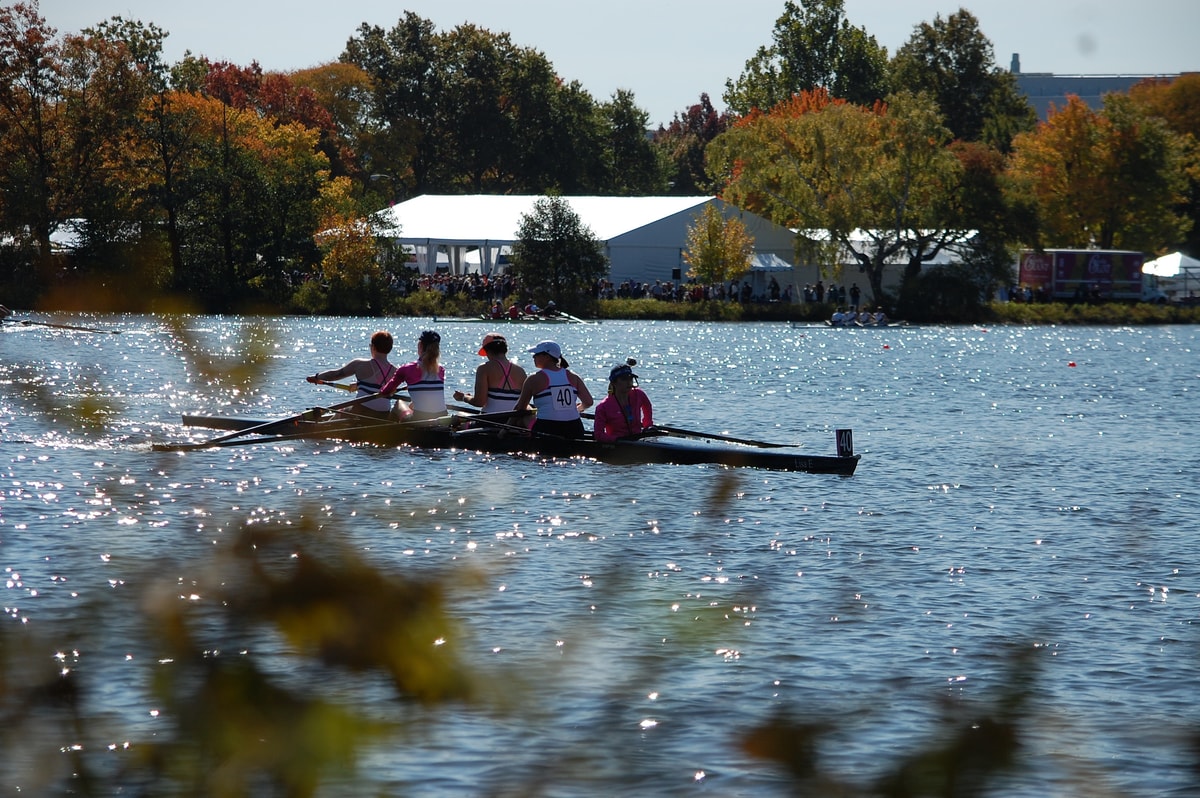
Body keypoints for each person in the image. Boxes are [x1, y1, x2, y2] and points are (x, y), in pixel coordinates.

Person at [306, 330, 398, 419]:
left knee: (340, 412)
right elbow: (378, 384)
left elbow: (336, 375)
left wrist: (317, 377)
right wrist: (359, 385)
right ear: (390, 348)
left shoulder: (360, 364)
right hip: (384, 413)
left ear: (373, 347)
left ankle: (323, 431)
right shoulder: (395, 371)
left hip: (362, 410)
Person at [511, 340, 593, 439]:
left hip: (547, 429)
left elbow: (520, 408)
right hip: (575, 428)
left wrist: (503, 430)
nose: (533, 357)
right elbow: (588, 402)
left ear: (547, 357)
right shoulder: (573, 376)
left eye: (536, 354)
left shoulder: (534, 379)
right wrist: (577, 409)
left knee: (525, 413)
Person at [379, 329, 447, 421]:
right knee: (411, 405)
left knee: (399, 403)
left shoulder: (406, 369)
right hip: (443, 418)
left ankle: (388, 431)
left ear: (420, 345)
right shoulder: (441, 370)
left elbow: (385, 391)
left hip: (420, 419)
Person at [453, 332, 527, 413]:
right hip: (513, 420)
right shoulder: (521, 371)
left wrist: (464, 397)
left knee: (461, 415)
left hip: (490, 419)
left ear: (487, 350)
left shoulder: (484, 369)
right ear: (505, 350)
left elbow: (480, 402)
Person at [592, 362, 653, 442]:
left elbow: (647, 406)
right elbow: (599, 435)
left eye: (630, 378)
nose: (629, 382)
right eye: (624, 379)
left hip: (638, 441)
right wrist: (616, 440)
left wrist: (647, 426)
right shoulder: (603, 407)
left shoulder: (639, 394)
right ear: (614, 383)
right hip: (618, 445)